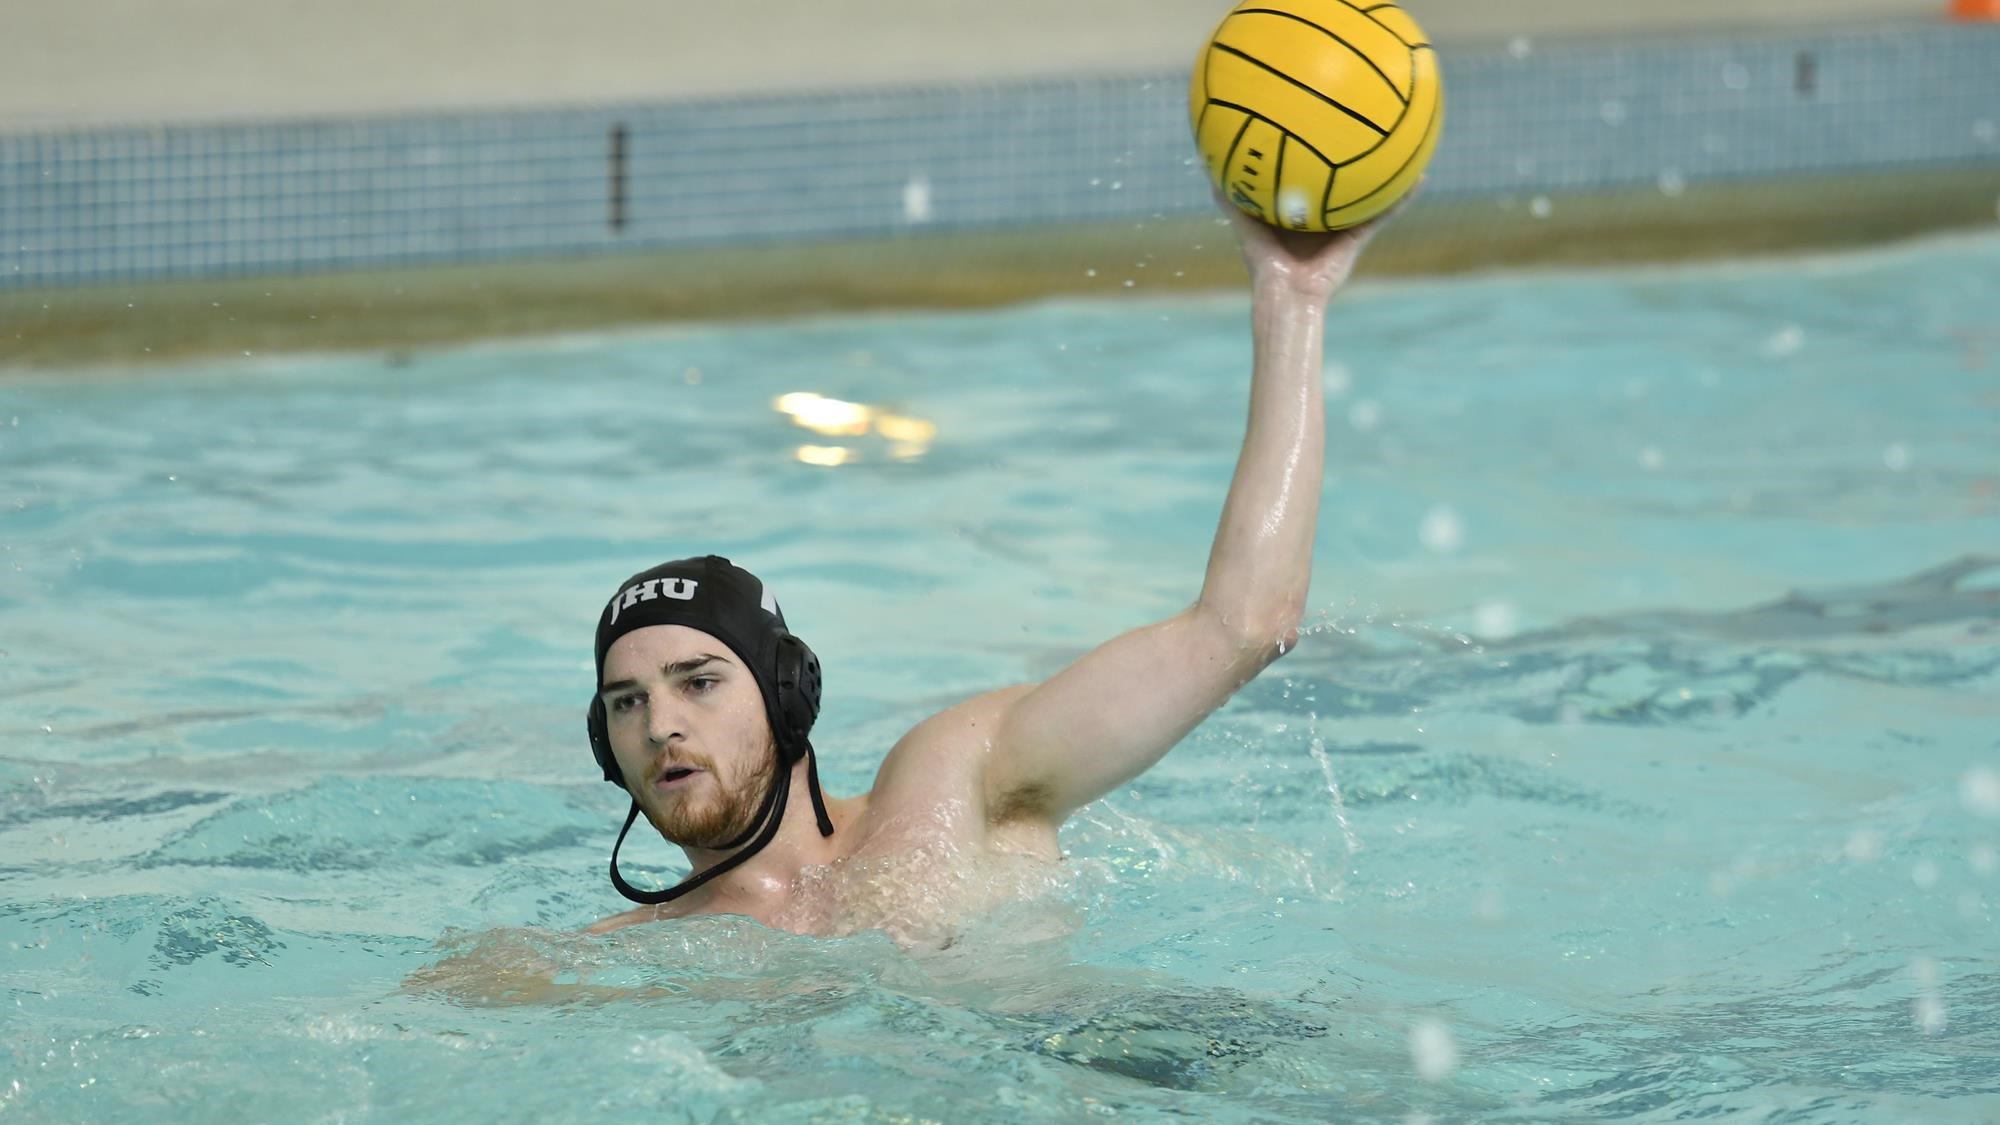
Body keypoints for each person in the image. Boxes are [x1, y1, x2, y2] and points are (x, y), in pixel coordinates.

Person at [585, 191, 1405, 941]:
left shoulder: (953, 779)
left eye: (698, 681)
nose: (660, 726)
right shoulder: (628, 956)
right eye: (626, 703)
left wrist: (1290, 301)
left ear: (786, 693)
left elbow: (1243, 624)